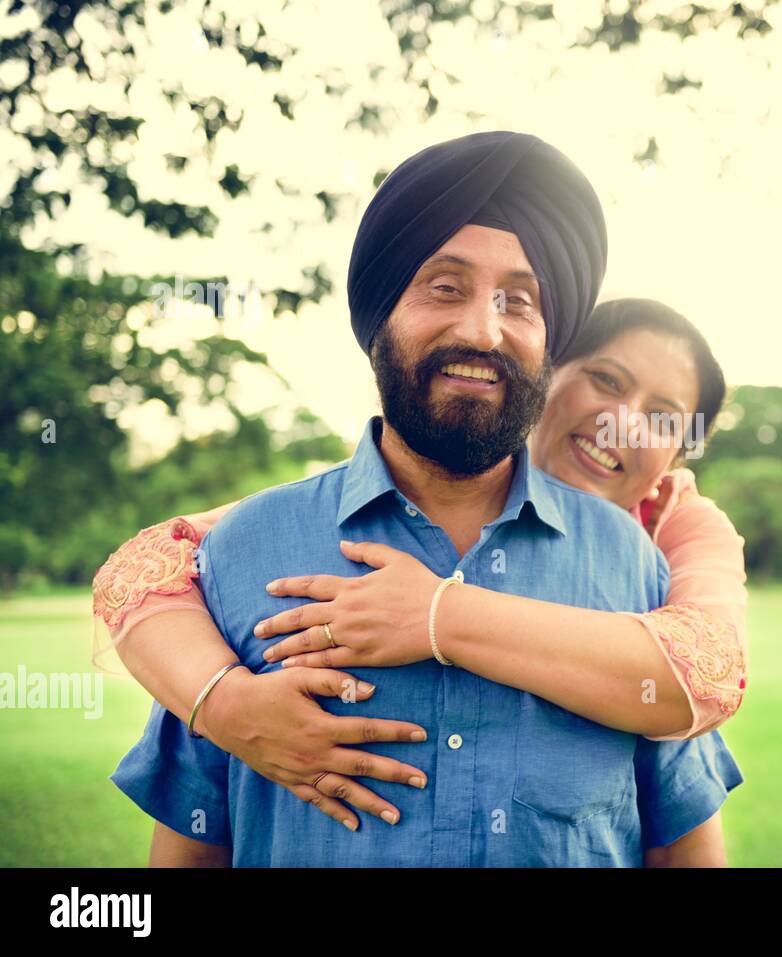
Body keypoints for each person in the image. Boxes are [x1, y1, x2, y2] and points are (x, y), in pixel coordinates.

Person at [102, 131, 744, 867]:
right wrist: (222, 700)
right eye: (445, 286)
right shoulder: (241, 550)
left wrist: (439, 614)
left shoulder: (644, 563)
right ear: (382, 313)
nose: (481, 328)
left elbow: (688, 808)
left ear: (545, 339)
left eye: (520, 301)